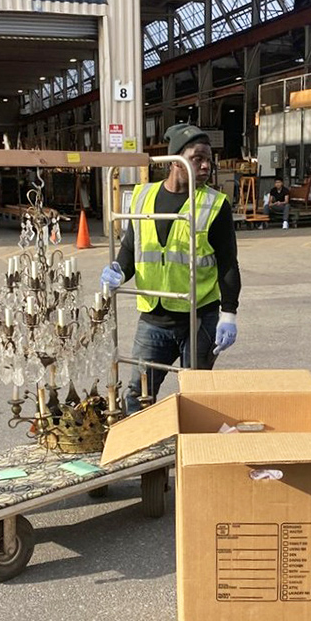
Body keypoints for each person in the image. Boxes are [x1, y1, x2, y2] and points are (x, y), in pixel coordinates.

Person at [101, 124, 241, 413]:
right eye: (197, 158)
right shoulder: (142, 196)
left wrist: (229, 313)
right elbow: (132, 248)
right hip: (154, 317)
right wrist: (118, 271)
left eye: (209, 159)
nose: (205, 166)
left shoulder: (215, 204)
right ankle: (137, 451)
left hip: (198, 316)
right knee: (137, 395)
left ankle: (192, 452)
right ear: (175, 160)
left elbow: (227, 264)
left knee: (196, 397)